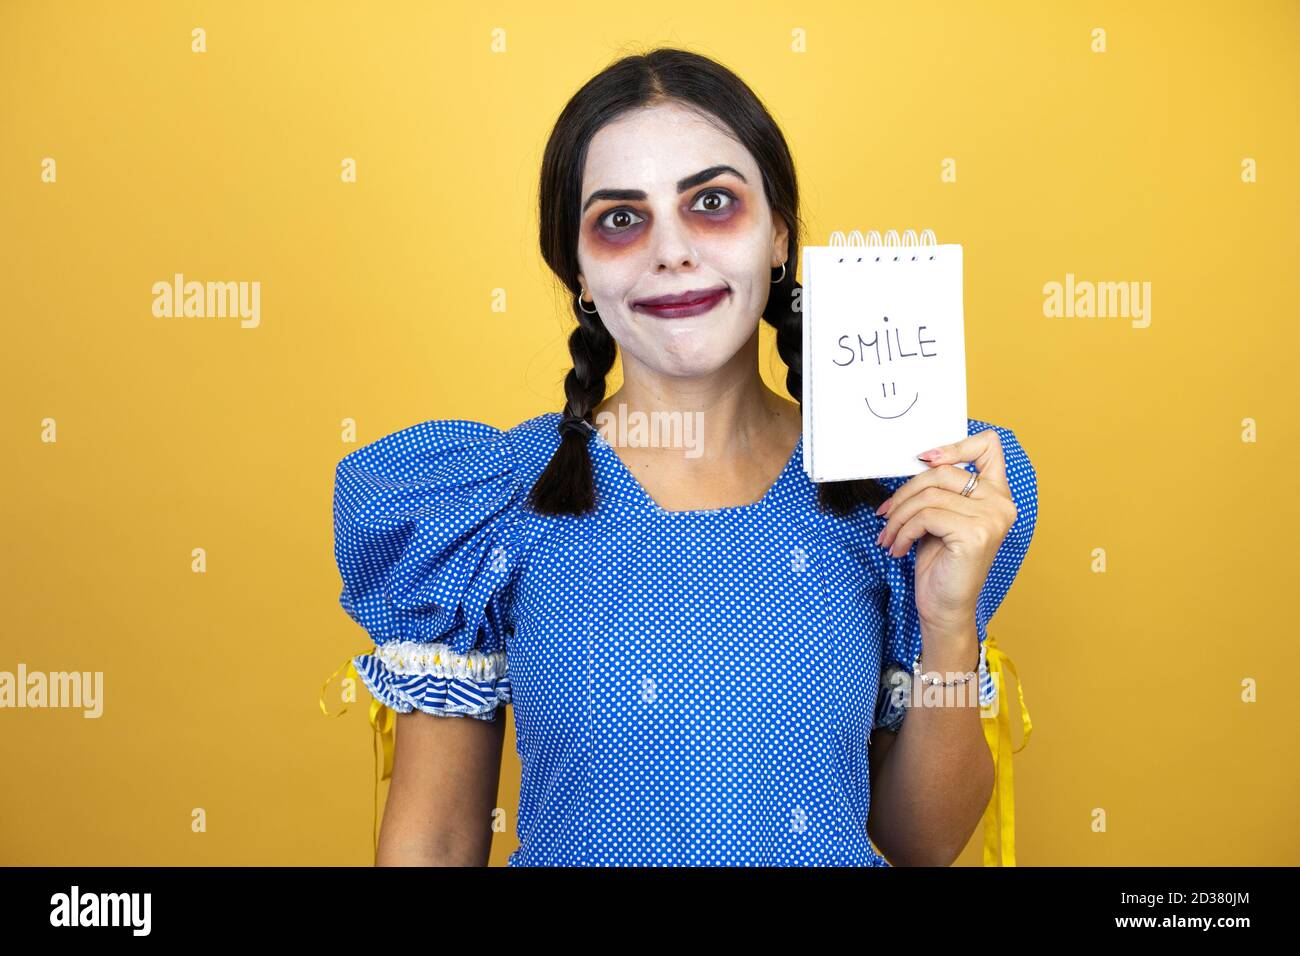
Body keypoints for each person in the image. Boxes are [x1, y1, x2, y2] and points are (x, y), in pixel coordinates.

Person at [328, 47, 1038, 866]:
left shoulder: (889, 494)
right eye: (621, 219)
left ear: (779, 235)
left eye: (711, 202)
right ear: (580, 271)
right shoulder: (488, 506)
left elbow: (921, 845)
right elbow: (438, 843)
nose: (672, 251)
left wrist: (949, 626)